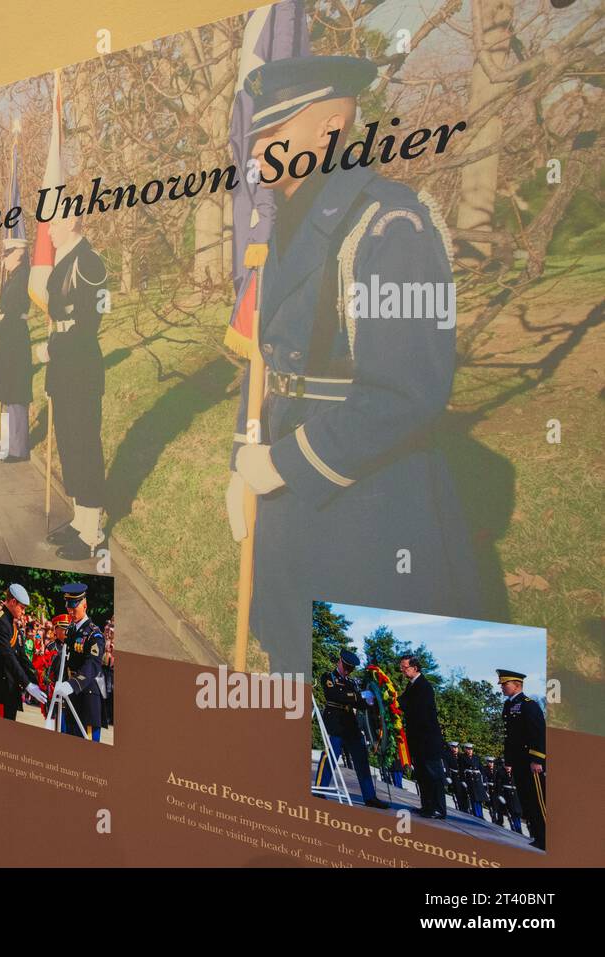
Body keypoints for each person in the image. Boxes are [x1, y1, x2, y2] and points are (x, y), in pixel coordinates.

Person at [224, 55, 481, 674]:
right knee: (292, 656)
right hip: (290, 491)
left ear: (330, 130)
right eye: (257, 133)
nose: (256, 147)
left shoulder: (391, 223)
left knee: (349, 678)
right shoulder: (283, 227)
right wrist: (244, 458)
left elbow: (407, 393)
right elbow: (270, 361)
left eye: (274, 131)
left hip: (363, 499)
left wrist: (282, 462)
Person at [39, 215, 108, 560]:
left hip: (81, 368)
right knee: (69, 446)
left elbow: (87, 326)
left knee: (85, 448)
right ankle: (81, 522)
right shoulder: (65, 261)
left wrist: (53, 348)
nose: (48, 231)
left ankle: (93, 531)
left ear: (70, 221)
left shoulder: (89, 262)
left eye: (52, 224)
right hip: (66, 369)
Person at [315, 650, 390, 808]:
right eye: (347, 667)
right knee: (331, 755)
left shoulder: (352, 683)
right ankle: (320, 789)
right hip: (335, 721)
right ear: (340, 662)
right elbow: (335, 695)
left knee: (361, 759)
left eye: (351, 669)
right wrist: (359, 696)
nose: (348, 671)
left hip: (350, 723)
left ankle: (370, 797)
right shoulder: (329, 677)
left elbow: (359, 703)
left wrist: (373, 701)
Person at [0, 236, 32, 463]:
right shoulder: (14, 277)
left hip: (15, 340)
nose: (4, 259)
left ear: (18, 254)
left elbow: (12, 314)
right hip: (11, 340)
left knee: (16, 394)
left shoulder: (21, 278)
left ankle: (19, 448)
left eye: (7, 254)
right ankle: (15, 444)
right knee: (11, 393)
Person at [498, 669, 546, 850]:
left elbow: (538, 733)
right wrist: (508, 761)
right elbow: (510, 737)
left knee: (538, 800)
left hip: (531, 762)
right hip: (518, 761)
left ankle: (547, 837)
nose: (502, 687)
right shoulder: (508, 705)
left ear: (517, 685)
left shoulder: (529, 705)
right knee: (526, 800)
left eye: (505, 684)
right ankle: (538, 836)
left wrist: (537, 759)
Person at [52, 583, 106, 741]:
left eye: (74, 608)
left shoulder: (94, 635)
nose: (70, 611)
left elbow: (93, 665)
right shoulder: (71, 631)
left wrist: (72, 684)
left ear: (85, 606)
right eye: (68, 607)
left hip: (87, 698)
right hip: (71, 697)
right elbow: (65, 659)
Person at [0, 584, 46, 720]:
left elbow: (22, 656)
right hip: (2, 687)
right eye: (22, 608)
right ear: (13, 602)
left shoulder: (11, 622)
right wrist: (27, 684)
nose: (23, 612)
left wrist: (37, 680)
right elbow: (9, 656)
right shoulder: (0, 622)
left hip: (11, 688)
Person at [397, 654, 447, 818]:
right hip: (418, 739)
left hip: (428, 740)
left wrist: (396, 703)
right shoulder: (412, 685)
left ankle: (438, 808)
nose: (402, 670)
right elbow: (401, 702)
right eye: (402, 667)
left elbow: (412, 707)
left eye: (405, 667)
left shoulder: (423, 686)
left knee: (433, 774)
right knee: (423, 774)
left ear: (415, 668)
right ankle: (427, 806)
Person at [460, 743, 488, 820]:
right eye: (468, 749)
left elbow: (481, 769)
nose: (470, 750)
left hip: (478, 779)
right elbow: (461, 770)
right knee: (474, 797)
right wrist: (463, 780)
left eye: (471, 749)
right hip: (470, 778)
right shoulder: (462, 757)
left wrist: (484, 781)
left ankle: (481, 814)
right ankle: (476, 813)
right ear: (465, 749)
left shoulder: (476, 757)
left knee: (479, 798)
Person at [444, 741, 469, 814]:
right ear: (451, 748)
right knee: (457, 795)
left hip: (462, 778)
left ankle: (466, 809)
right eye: (453, 747)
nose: (455, 749)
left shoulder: (461, 756)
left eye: (456, 747)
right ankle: (460, 809)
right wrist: (447, 776)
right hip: (454, 777)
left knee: (465, 795)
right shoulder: (448, 755)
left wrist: (464, 779)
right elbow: (446, 766)